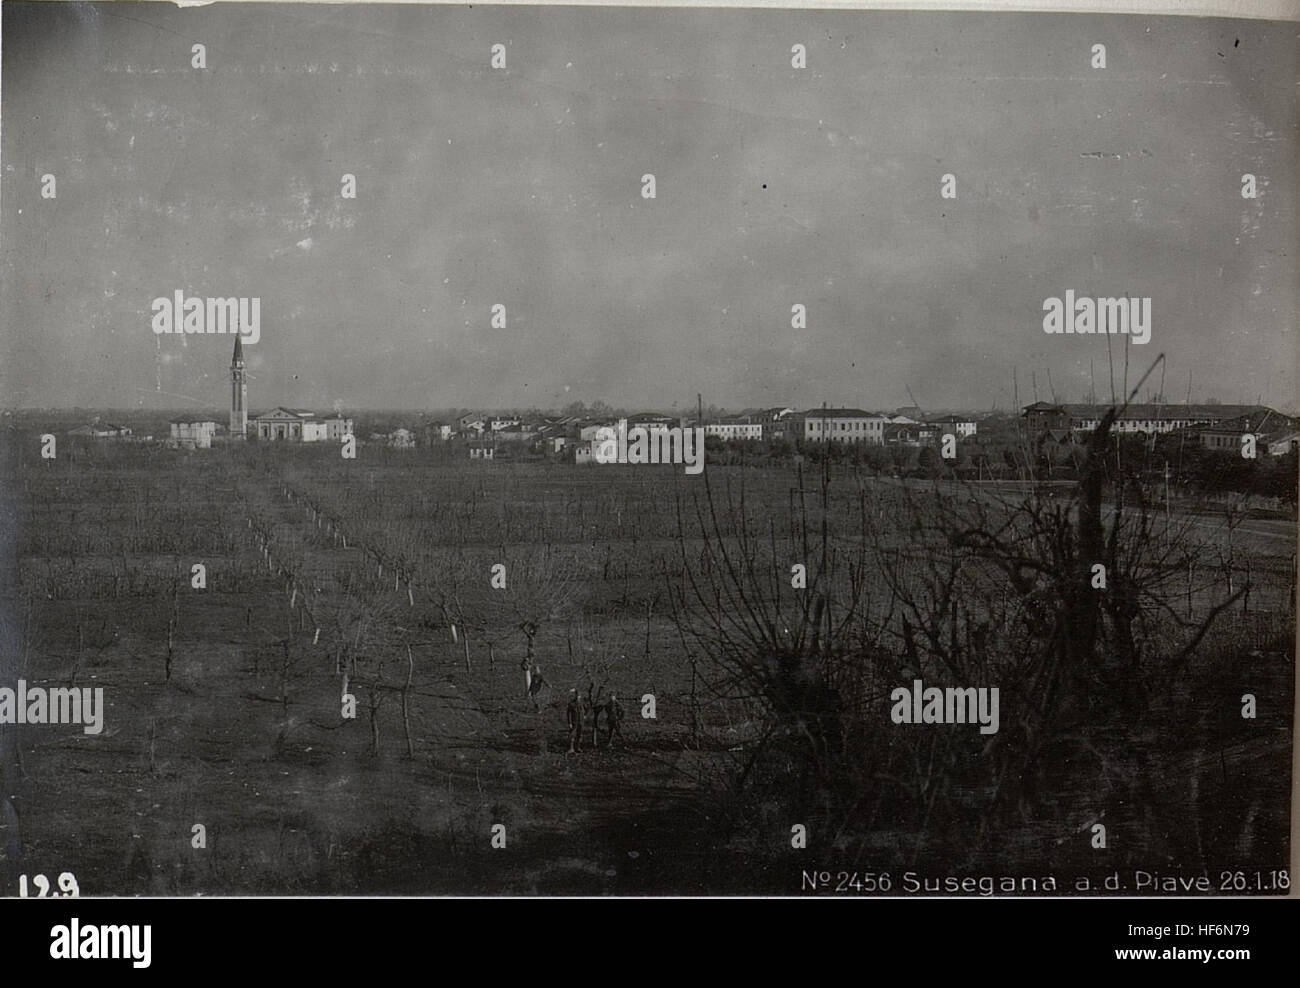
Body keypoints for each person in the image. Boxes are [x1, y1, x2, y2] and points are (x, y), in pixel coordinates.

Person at [566, 688, 583, 753]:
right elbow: (568, 714)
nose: (578, 698)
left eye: (579, 697)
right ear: (575, 696)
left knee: (579, 735)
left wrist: (584, 716)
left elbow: (584, 710)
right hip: (574, 722)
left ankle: (578, 747)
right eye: (577, 696)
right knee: (572, 735)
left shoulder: (581, 704)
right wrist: (569, 723)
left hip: (580, 722)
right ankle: (571, 748)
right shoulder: (571, 704)